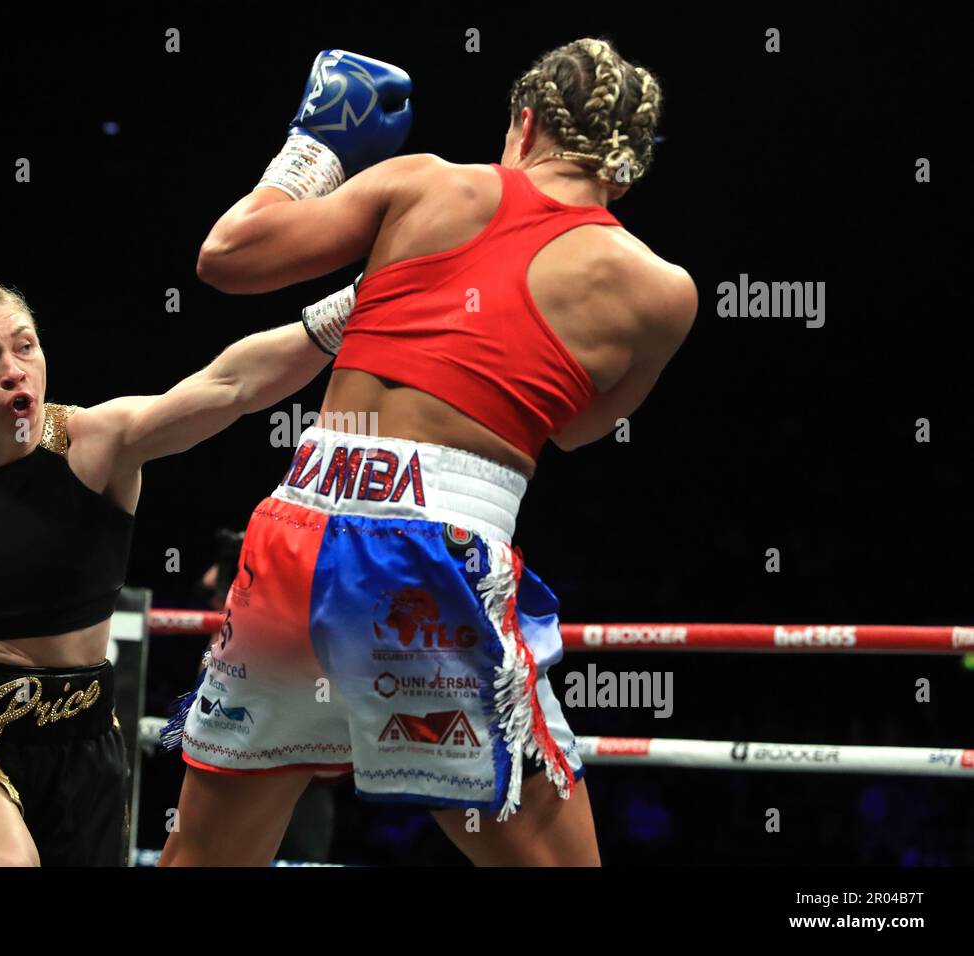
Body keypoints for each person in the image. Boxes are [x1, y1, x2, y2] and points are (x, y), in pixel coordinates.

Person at [160, 39, 697, 866]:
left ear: (523, 123)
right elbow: (577, 428)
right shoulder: (661, 289)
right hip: (432, 553)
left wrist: (316, 148)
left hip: (296, 531)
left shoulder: (425, 182)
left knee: (205, 857)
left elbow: (226, 258)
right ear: (625, 172)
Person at [0, 276, 346, 865]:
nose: (14, 369)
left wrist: (351, 308)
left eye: (25, 346)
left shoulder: (99, 446)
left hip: (88, 744)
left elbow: (232, 385)